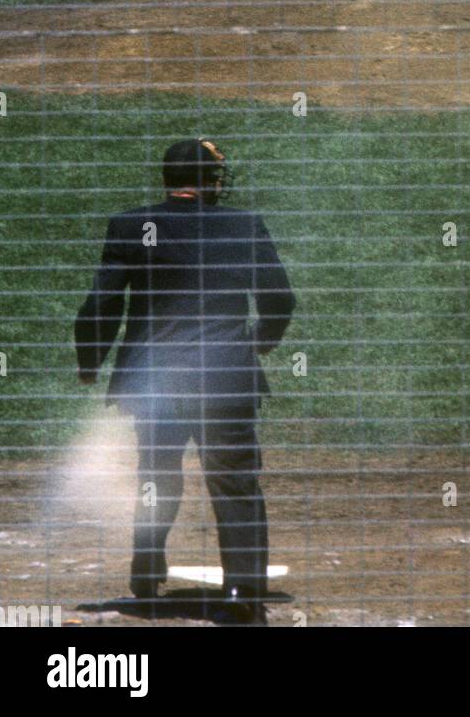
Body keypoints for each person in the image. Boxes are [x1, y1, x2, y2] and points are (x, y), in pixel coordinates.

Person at [74, 139, 295, 624]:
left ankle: (146, 566)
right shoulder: (243, 225)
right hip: (225, 379)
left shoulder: (132, 226)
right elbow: (280, 298)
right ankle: (243, 595)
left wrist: (90, 360)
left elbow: (102, 304)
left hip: (154, 383)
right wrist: (262, 340)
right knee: (234, 483)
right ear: (207, 181)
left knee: (157, 476)